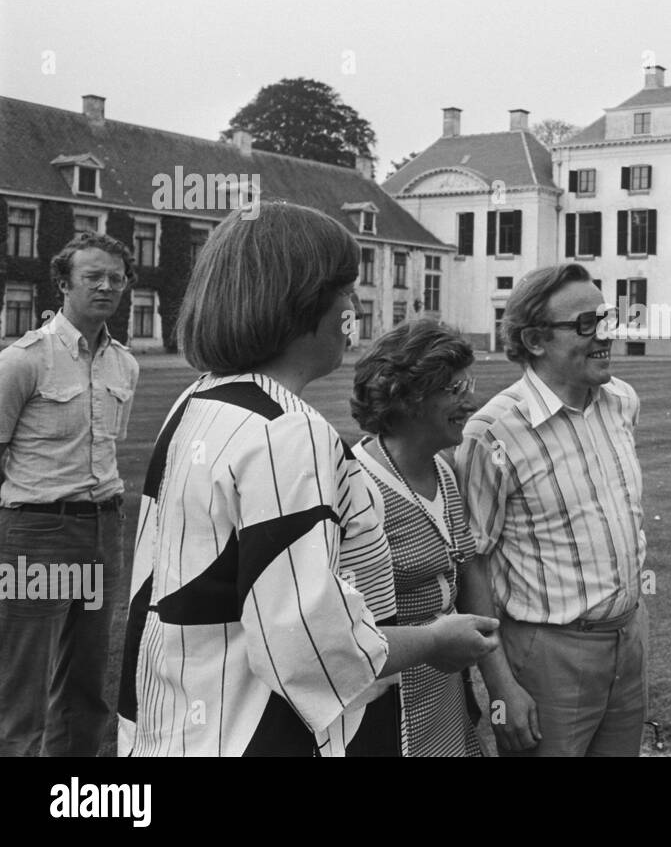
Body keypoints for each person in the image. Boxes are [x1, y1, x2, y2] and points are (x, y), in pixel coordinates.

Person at [118, 201, 499, 757]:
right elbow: (310, 648)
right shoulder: (285, 431)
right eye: (345, 290)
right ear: (301, 303)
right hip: (251, 733)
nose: (354, 309)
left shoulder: (197, 401)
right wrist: (434, 641)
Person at [455, 263, 647, 757]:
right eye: (588, 325)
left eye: (607, 318)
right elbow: (471, 562)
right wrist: (501, 687)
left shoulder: (621, 400)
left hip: (626, 639)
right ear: (536, 340)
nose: (606, 335)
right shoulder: (493, 431)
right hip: (547, 654)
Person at [0, 232, 139, 756]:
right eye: (93, 277)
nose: (106, 286)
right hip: (37, 531)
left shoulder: (125, 364)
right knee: (24, 684)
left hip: (103, 530)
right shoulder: (23, 361)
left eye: (116, 278)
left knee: (85, 684)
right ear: (63, 283)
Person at [350, 315, 488, 756]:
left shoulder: (443, 471)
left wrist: (497, 679)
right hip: (388, 710)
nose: (472, 402)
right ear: (409, 397)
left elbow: (467, 570)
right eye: (455, 391)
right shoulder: (357, 488)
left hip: (446, 693)